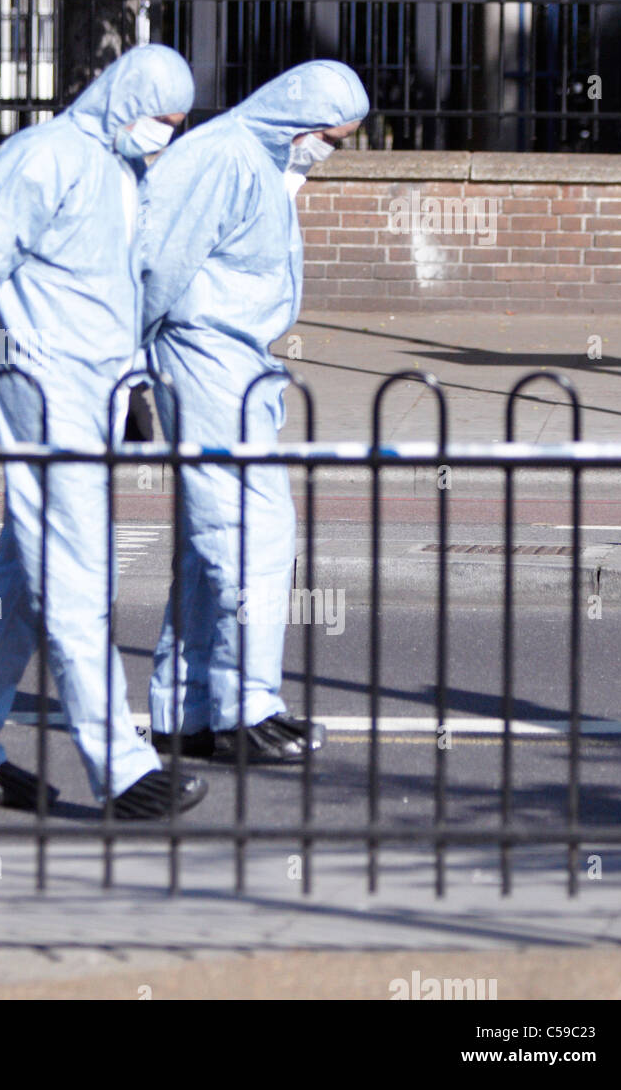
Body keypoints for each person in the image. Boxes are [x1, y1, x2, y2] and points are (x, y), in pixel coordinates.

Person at [0, 43, 209, 820]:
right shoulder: (44, 156)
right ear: (122, 100)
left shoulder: (123, 170)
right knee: (78, 574)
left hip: (91, 389)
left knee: (24, 575)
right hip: (42, 387)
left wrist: (135, 389)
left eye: (177, 125)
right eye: (158, 120)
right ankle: (120, 768)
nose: (164, 136)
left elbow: (115, 291)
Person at [139, 61, 369, 763]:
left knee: (210, 543)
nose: (327, 151)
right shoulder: (221, 158)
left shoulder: (257, 157)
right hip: (204, 359)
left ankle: (189, 710)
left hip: (231, 364)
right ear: (298, 116)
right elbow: (155, 265)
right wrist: (123, 369)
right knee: (252, 534)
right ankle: (245, 709)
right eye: (328, 136)